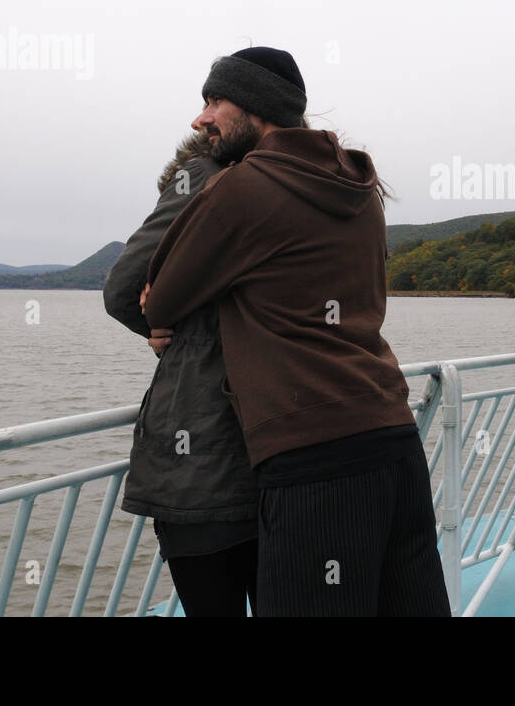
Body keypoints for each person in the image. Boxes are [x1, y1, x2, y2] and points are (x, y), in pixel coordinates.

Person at [142, 46, 450, 617]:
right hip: (393, 436)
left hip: (314, 458)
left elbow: (160, 297)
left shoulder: (245, 186)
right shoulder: (359, 184)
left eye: (214, 100)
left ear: (256, 107)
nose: (200, 118)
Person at [104, 130, 259, 616]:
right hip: (283, 453)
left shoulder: (202, 178)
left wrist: (165, 327)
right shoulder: (296, 187)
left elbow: (121, 291)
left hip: (202, 460)